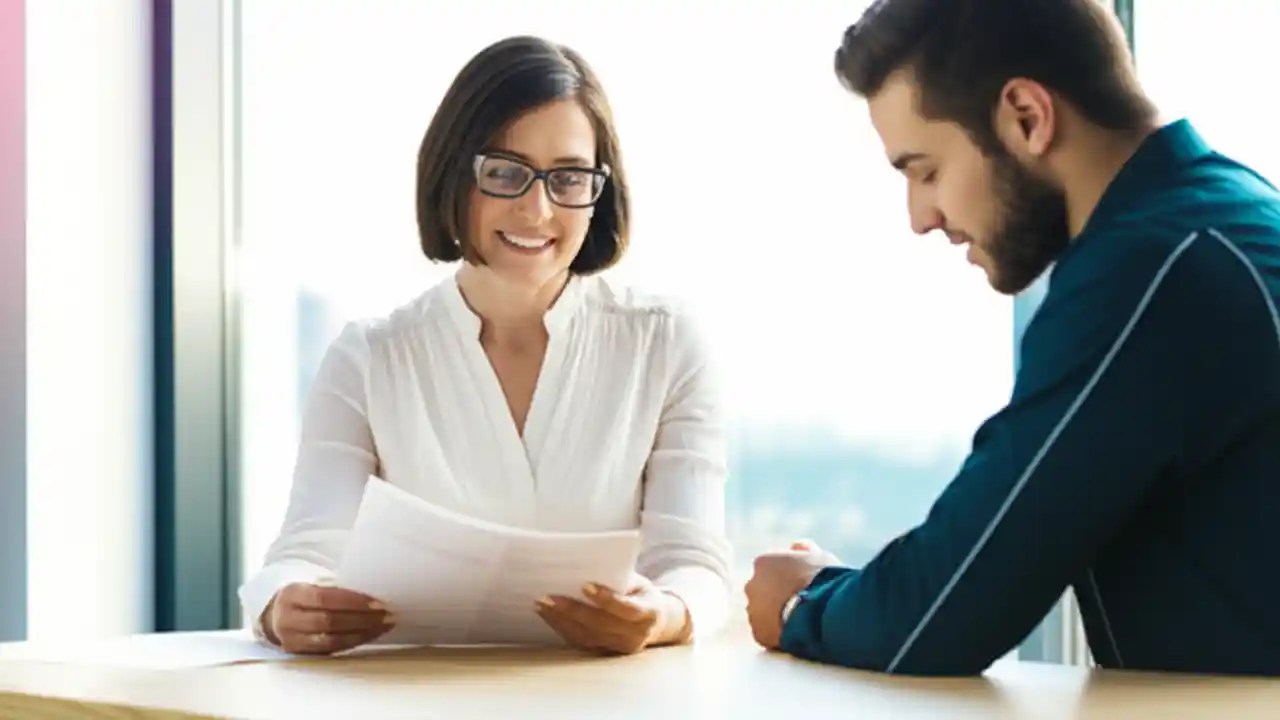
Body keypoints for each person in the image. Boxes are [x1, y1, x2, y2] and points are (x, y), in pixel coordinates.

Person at [746, 0, 1280, 677]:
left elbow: (939, 613)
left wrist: (804, 602)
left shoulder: (1152, 270)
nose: (921, 216)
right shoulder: (1223, 217)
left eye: (925, 169)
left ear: (1026, 117)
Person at [239, 35, 733, 657]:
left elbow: (696, 566)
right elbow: (303, 556)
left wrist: (666, 614)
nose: (537, 208)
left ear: (598, 190)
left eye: (568, 177)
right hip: (417, 700)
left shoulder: (664, 343)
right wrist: (287, 608)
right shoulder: (369, 358)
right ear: (454, 173)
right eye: (504, 173)